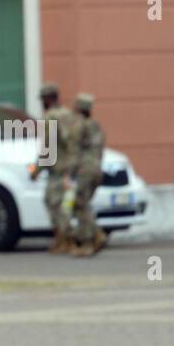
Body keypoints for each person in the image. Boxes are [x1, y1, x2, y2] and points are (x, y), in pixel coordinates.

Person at [29, 82, 79, 254]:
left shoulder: (50, 117)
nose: (41, 103)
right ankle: (62, 240)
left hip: (58, 169)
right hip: (70, 168)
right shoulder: (68, 114)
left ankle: (66, 240)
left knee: (55, 204)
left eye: (42, 99)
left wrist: (36, 170)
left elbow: (47, 148)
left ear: (48, 99)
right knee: (63, 205)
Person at [70, 92, 107, 257]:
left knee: (81, 205)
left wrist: (69, 173)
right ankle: (95, 235)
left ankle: (89, 241)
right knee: (83, 204)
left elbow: (74, 150)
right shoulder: (97, 126)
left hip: (85, 170)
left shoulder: (80, 126)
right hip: (97, 169)